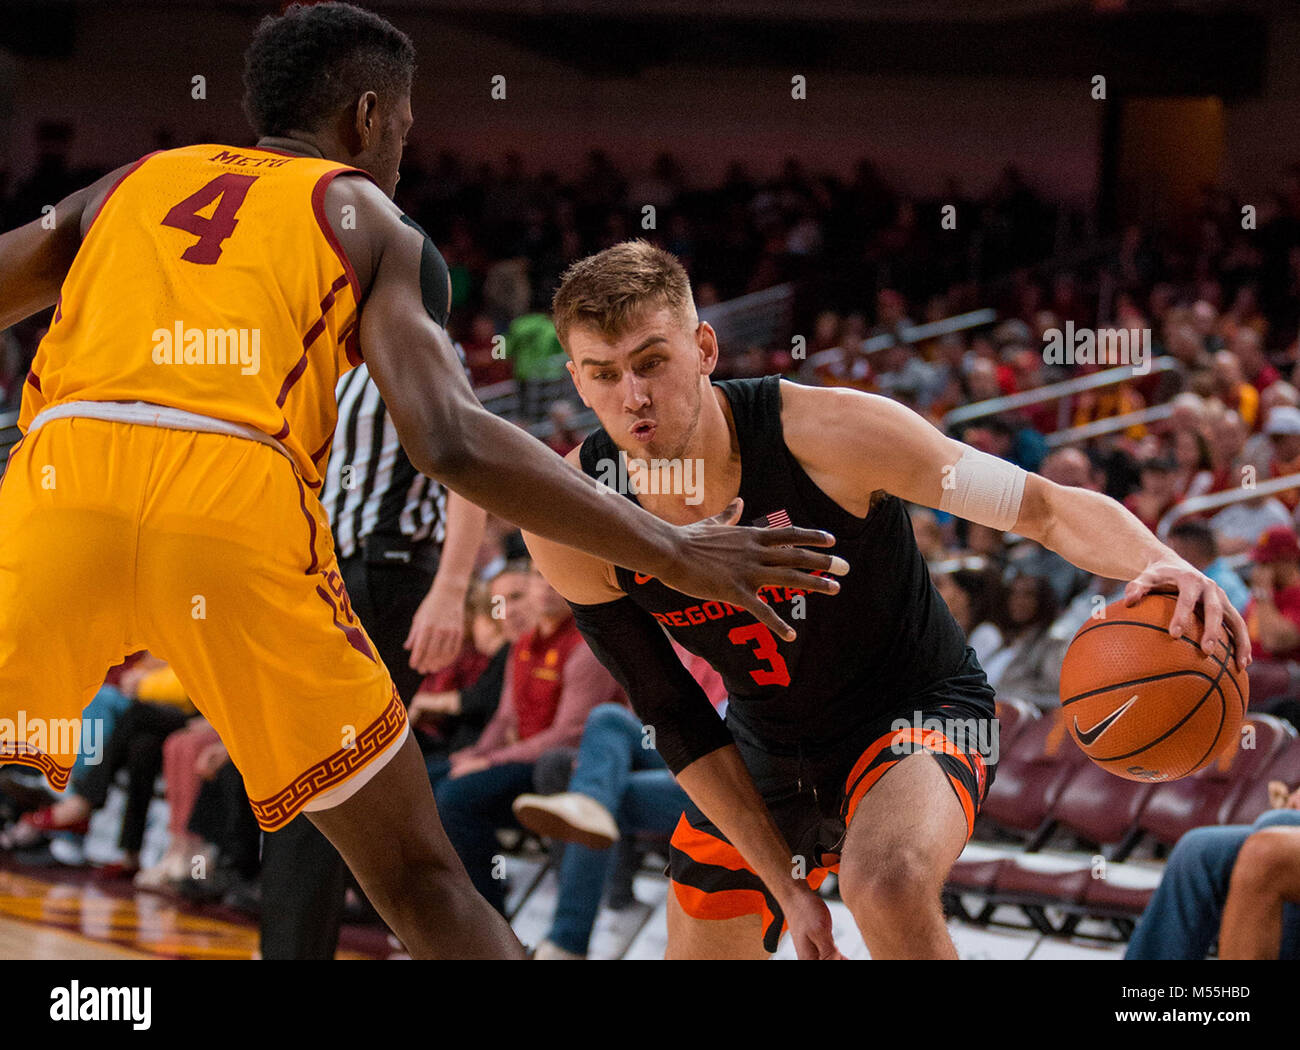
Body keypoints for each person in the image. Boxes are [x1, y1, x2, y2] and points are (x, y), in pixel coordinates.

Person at [0, 3, 840, 960]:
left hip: (56, 484)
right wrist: (670, 545)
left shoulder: (132, 183)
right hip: (229, 503)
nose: (403, 146)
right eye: (403, 126)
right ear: (368, 115)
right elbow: (451, 440)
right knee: (415, 874)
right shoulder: (370, 218)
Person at [525, 239, 1250, 960]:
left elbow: (1044, 509)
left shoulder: (831, 435)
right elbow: (672, 710)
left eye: (652, 361)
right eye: (604, 374)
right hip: (763, 746)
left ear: (705, 348)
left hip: (920, 709)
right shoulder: (572, 522)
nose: (635, 395)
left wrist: (1159, 560)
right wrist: (784, 881)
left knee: (886, 879)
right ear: (578, 384)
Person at [433, 567, 624, 913]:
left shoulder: (586, 643)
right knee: (428, 779)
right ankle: (432, 914)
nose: (546, 585)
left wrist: (489, 761)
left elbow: (568, 735)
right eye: (538, 576)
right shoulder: (521, 645)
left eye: (515, 596)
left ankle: (490, 919)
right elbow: (505, 717)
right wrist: (474, 754)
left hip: (563, 766)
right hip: (523, 757)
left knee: (455, 799)